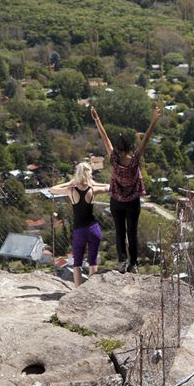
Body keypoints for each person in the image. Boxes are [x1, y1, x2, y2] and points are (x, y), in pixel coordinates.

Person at [90, 103, 162, 273]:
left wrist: (97, 119)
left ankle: (122, 261)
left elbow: (105, 138)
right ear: (129, 148)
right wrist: (153, 121)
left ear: (118, 149)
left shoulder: (114, 160)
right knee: (132, 232)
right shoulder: (134, 161)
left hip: (116, 201)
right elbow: (146, 139)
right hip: (132, 202)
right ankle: (133, 264)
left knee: (120, 232)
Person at [49, 162, 109, 287]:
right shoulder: (92, 189)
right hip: (93, 229)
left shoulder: (71, 190)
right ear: (89, 174)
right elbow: (108, 187)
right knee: (93, 262)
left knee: (77, 263)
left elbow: (52, 189)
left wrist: (70, 182)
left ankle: (77, 290)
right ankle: (92, 289)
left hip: (79, 230)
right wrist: (93, 183)